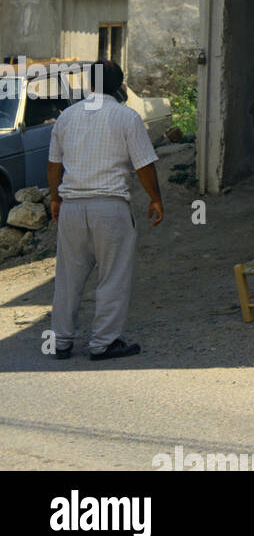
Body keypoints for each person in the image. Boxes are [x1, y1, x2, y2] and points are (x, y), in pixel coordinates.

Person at [46, 60, 164, 361]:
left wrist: (55, 199)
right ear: (119, 85)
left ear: (89, 84)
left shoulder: (67, 117)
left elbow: (54, 164)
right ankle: (103, 343)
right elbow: (144, 164)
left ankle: (60, 342)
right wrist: (155, 199)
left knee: (68, 277)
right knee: (113, 275)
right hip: (110, 208)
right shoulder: (126, 117)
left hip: (72, 207)